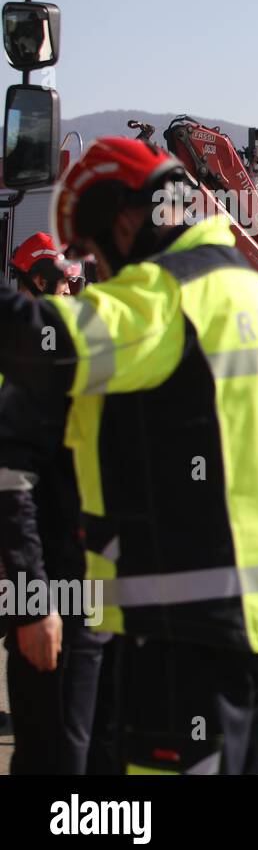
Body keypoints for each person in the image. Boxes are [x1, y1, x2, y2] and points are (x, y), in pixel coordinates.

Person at [0, 137, 258, 774]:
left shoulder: (164, 298)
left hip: (185, 630)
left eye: (89, 253)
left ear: (122, 221)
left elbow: (43, 341)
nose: (95, 274)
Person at [0, 233, 109, 775]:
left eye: (75, 284)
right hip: (33, 557)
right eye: (61, 284)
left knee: (79, 741)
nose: (70, 294)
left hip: (85, 574)